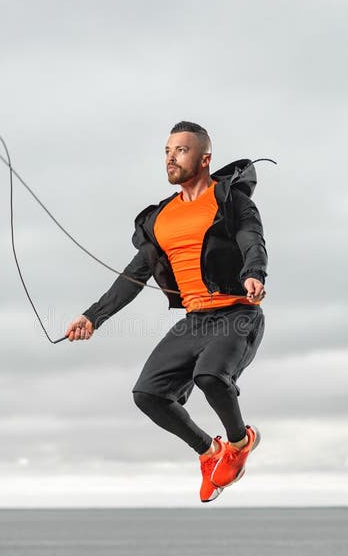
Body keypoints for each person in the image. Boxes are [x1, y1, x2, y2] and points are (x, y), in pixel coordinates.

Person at [65, 121, 267, 503]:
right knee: (148, 393)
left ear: (205, 158)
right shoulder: (161, 218)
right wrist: (92, 317)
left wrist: (254, 273)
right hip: (195, 321)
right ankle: (210, 452)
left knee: (210, 376)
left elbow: (251, 240)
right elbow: (133, 276)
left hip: (237, 314)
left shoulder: (230, 201)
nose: (171, 158)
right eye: (167, 152)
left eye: (181, 150)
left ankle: (241, 443)